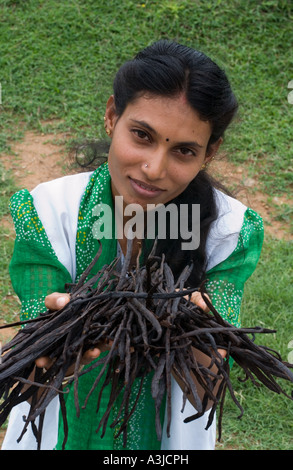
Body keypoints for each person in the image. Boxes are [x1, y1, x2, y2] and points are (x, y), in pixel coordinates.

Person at [2, 39, 264, 450]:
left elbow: (205, 393)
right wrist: (58, 348)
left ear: (209, 153)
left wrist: (201, 340)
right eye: (142, 135)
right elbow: (31, 380)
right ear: (111, 117)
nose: (154, 169)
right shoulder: (49, 211)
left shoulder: (229, 232)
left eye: (184, 150)